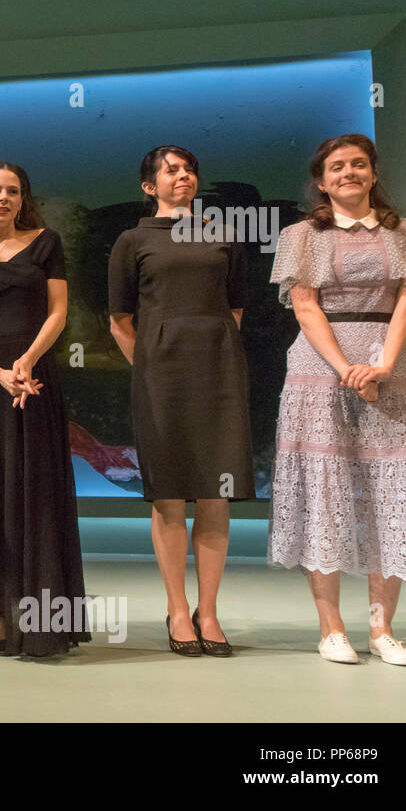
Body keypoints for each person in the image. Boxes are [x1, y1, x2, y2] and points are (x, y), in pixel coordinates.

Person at [268, 133, 406, 666]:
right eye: (337, 167)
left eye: (359, 164)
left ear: (374, 174)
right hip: (319, 369)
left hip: (390, 367)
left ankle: (382, 630)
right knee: (325, 489)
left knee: (392, 489)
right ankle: (331, 628)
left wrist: (380, 365)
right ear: (321, 180)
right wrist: (346, 370)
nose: (348, 173)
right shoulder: (300, 236)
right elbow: (306, 307)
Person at [108, 145, 253, 657]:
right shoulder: (132, 240)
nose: (183, 176)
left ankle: (208, 611)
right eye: (170, 171)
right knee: (169, 493)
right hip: (159, 377)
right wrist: (150, 365)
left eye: (189, 169)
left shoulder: (223, 235)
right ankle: (176, 608)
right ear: (150, 187)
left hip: (218, 371)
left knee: (215, 491)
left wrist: (211, 352)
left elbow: (234, 307)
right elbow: (119, 320)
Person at [0, 159, 89, 657]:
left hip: (36, 381)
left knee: (38, 494)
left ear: (22, 200)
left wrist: (27, 362)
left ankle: (45, 619)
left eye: (13, 191)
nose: (4, 197)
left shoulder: (46, 243)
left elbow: (58, 312)